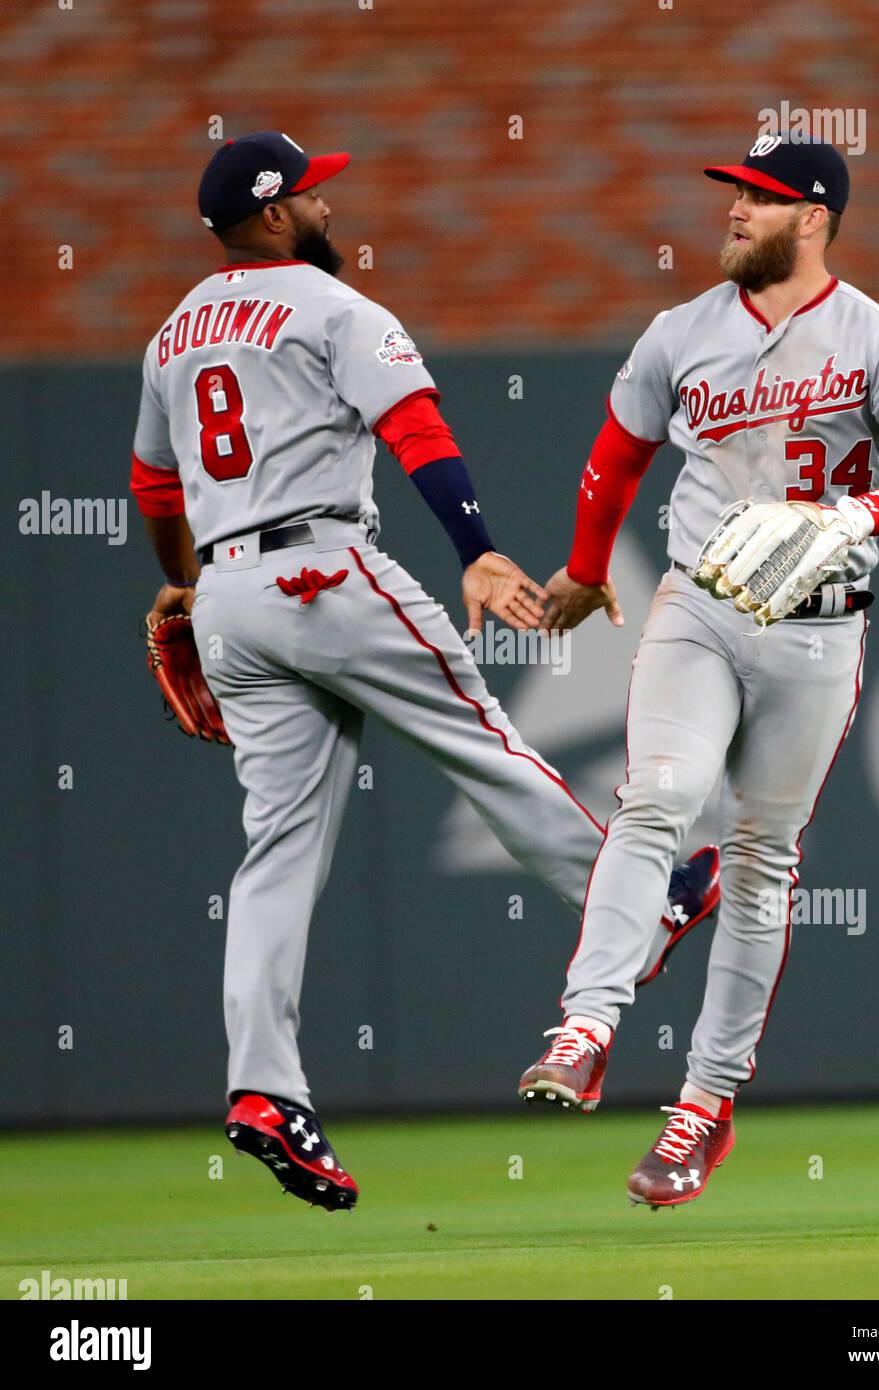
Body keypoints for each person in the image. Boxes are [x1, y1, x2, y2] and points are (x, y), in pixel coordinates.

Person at [130, 131, 718, 1211]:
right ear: (269, 217)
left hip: (230, 601)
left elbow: (158, 492)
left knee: (275, 854)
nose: (325, 210)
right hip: (323, 570)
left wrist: (184, 587)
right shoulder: (334, 308)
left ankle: (265, 1088)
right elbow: (415, 428)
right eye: (309, 197)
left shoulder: (172, 337)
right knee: (479, 739)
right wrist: (475, 549)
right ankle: (650, 901)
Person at [518, 134, 879, 1207]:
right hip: (700, 603)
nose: (733, 212)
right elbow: (617, 452)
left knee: (762, 857)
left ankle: (701, 1110)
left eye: (758, 200)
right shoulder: (682, 332)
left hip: (819, 626)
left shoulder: (870, 336)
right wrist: (586, 570)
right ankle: (586, 1025)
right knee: (658, 799)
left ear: (811, 219)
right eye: (733, 194)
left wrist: (860, 511)